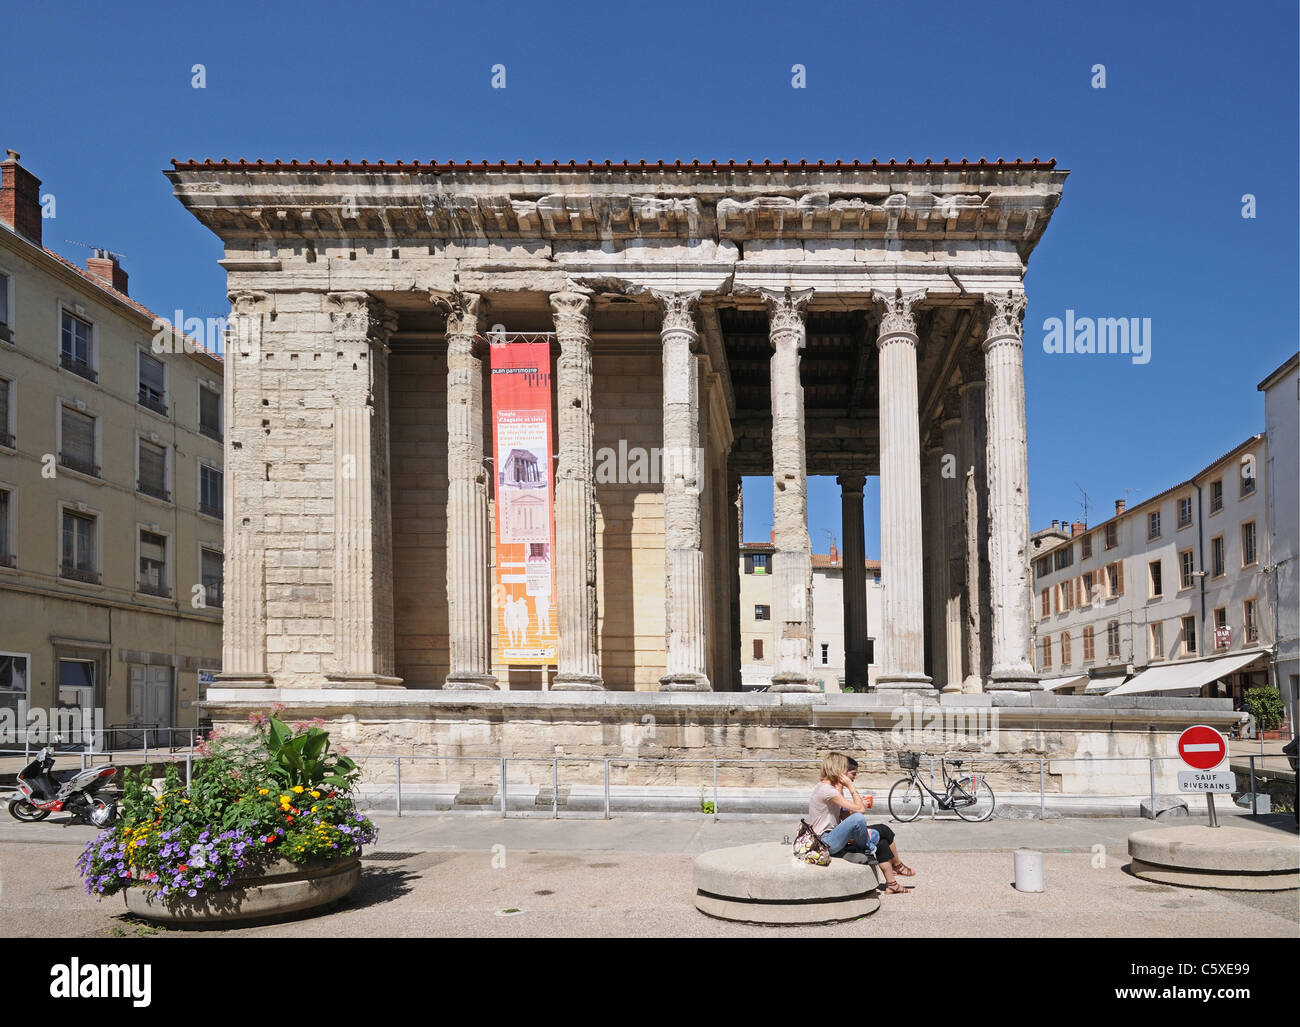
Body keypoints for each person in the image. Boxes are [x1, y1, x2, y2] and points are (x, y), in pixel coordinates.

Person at [809, 752, 911, 895]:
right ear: (838, 769)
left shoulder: (830, 788)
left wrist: (852, 799)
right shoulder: (827, 790)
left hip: (833, 836)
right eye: (844, 768)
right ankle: (870, 850)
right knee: (860, 820)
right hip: (825, 841)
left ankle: (892, 884)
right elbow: (860, 811)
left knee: (880, 837)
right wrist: (851, 788)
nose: (847, 773)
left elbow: (842, 815)